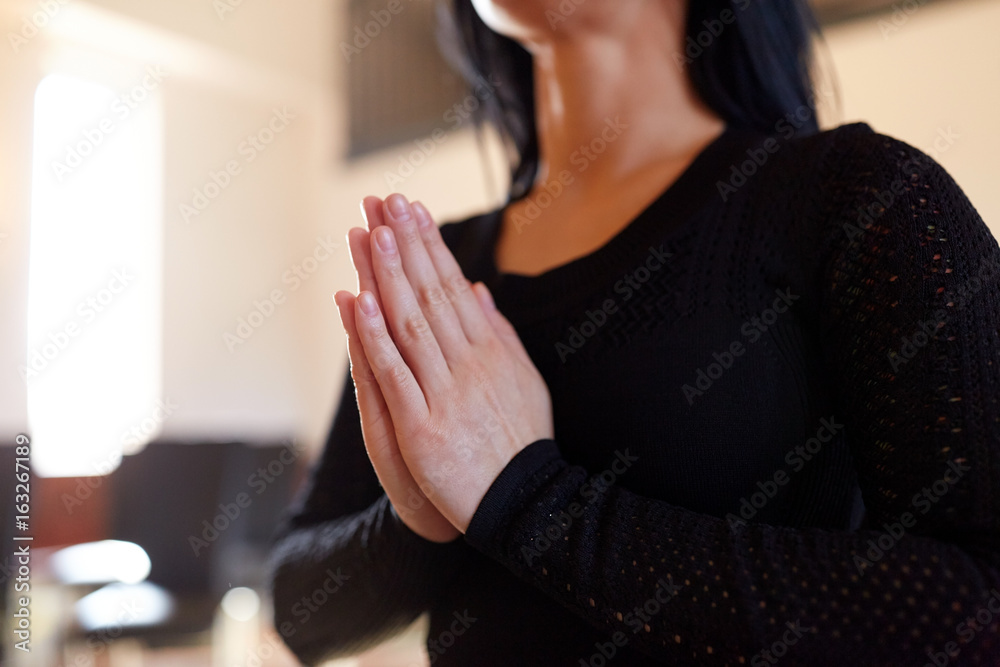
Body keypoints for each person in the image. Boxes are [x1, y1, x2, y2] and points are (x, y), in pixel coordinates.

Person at [267, 0, 1000, 664]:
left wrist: (523, 499)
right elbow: (301, 611)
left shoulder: (865, 199)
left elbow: (980, 604)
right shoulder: (439, 270)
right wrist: (422, 516)